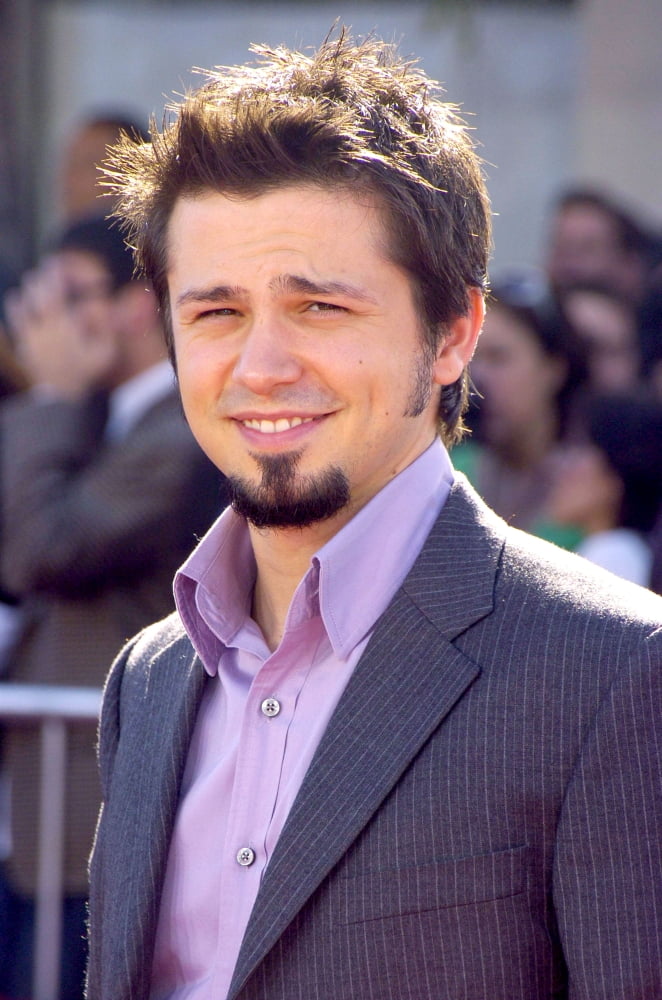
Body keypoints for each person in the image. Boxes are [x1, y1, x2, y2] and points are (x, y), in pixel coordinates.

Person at [87, 32, 662, 1000]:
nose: (261, 366)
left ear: (453, 334)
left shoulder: (614, 673)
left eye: (319, 307)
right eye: (216, 312)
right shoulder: (147, 680)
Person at [0, 216, 227, 998]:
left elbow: (42, 548)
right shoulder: (100, 420)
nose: (40, 320)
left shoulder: (181, 431)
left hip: (105, 815)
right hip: (47, 812)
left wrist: (53, 393)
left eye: (69, 294)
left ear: (137, 304)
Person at [453, 284, 586, 544]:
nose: (477, 378)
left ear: (554, 367)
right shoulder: (448, 473)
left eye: (498, 358)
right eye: (471, 359)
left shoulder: (592, 487)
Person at [544, 393, 662, 586]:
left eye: (580, 449)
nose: (561, 466)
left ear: (615, 476)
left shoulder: (612, 555)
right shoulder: (618, 551)